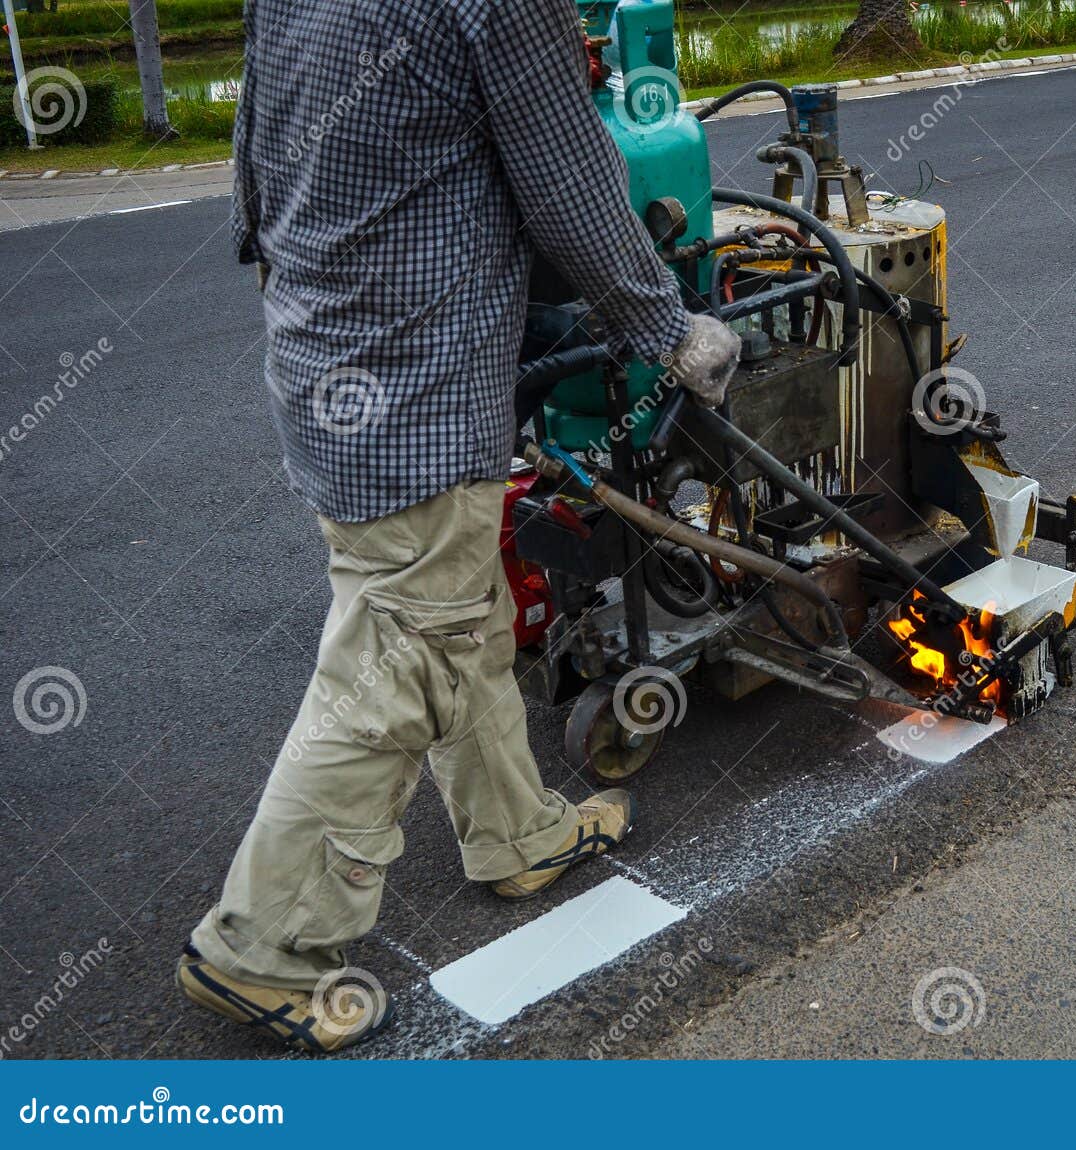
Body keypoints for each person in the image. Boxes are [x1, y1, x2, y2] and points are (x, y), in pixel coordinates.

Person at [177, 0, 739, 1053]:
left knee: (462, 616)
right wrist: (668, 332)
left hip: (324, 356)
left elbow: (256, 165)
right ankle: (263, 946)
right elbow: (573, 185)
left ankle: (516, 834)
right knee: (397, 658)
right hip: (416, 395)